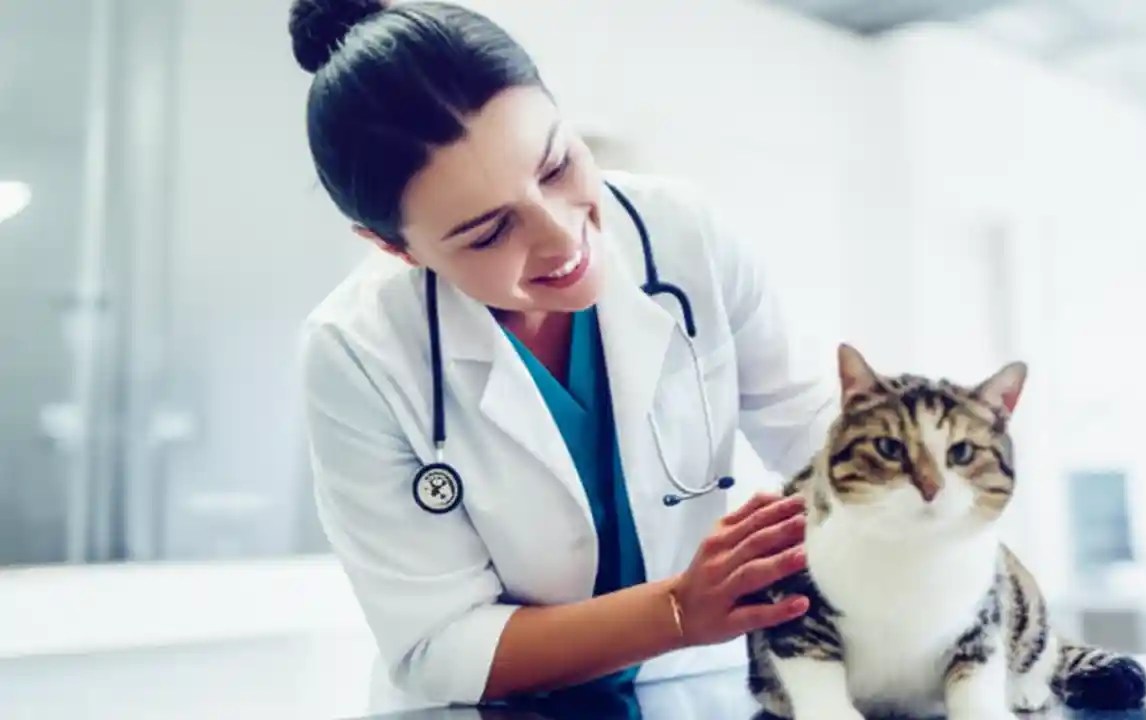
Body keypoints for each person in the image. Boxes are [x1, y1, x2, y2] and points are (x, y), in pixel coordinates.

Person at [289, 0, 839, 706]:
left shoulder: (682, 236)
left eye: (556, 164)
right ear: (394, 248)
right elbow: (437, 645)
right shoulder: (355, 353)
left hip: (693, 690)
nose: (561, 239)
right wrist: (676, 610)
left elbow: (824, 437)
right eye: (488, 233)